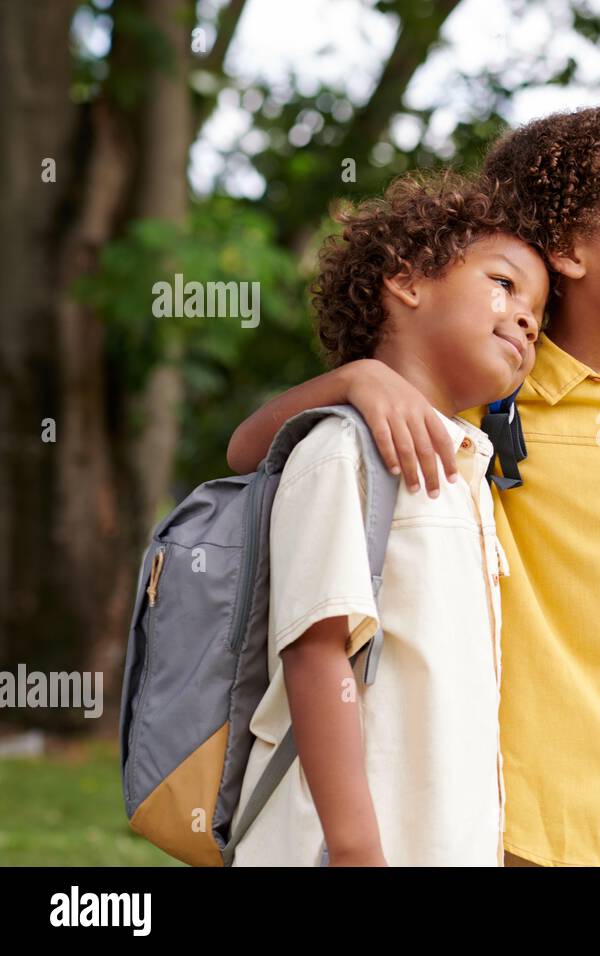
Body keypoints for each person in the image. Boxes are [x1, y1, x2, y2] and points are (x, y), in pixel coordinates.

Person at [229, 85, 600, 866]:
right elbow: (252, 450)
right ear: (570, 248)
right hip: (528, 826)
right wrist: (357, 378)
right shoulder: (484, 400)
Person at [229, 170, 545, 866]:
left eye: (539, 312)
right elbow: (315, 650)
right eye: (503, 284)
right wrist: (355, 846)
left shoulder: (471, 475)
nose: (527, 317)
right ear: (408, 281)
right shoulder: (343, 448)